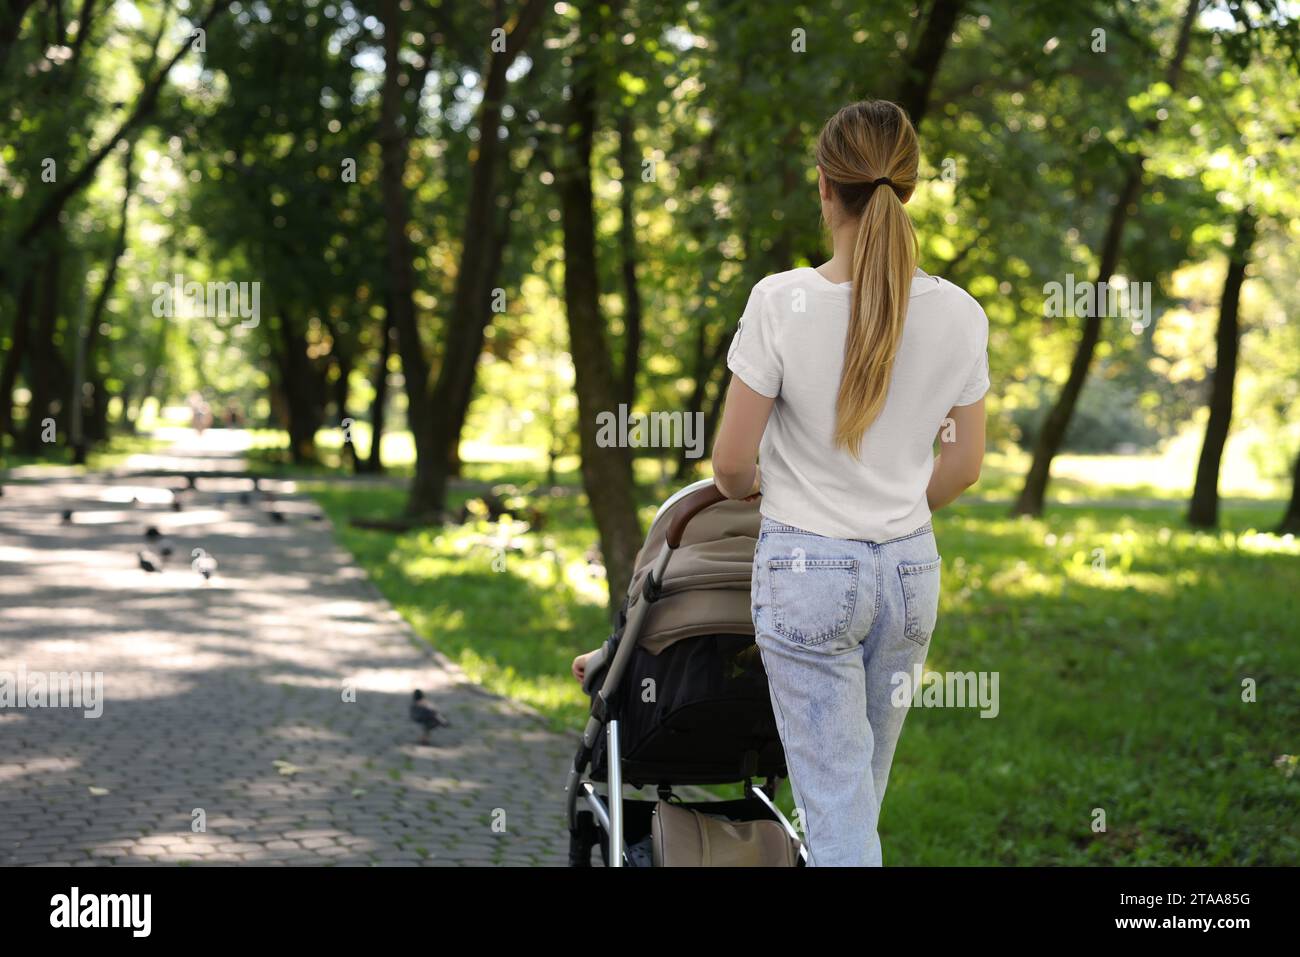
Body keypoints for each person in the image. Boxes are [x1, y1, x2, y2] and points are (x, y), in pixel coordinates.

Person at [709, 99, 989, 866]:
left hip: (809, 573)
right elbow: (962, 465)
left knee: (838, 819)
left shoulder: (779, 302)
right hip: (908, 572)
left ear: (824, 187)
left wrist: (777, 489)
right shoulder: (963, 315)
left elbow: (730, 467)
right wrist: (889, 503)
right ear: (909, 188)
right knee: (853, 803)